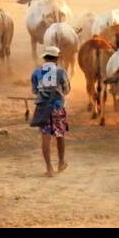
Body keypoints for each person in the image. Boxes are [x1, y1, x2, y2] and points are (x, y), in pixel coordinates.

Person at [30, 45, 70, 177]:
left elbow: (35, 91)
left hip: (43, 108)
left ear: (45, 58)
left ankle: (49, 168)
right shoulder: (61, 72)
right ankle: (61, 162)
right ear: (57, 58)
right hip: (57, 108)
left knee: (45, 138)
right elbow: (66, 90)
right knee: (60, 136)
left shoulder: (36, 72)